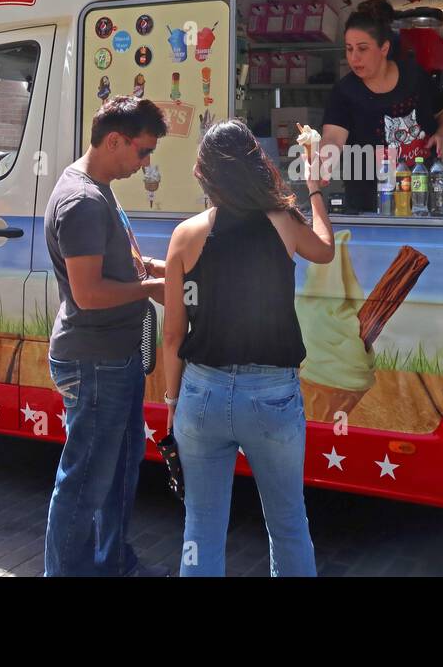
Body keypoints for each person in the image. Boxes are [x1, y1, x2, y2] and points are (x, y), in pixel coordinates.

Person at [161, 119, 334, 577]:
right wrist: (315, 188)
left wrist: (171, 401)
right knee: (288, 524)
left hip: (201, 394)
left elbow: (173, 335)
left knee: (201, 526)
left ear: (204, 173)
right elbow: (325, 250)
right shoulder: (284, 223)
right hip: (272, 394)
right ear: (258, 166)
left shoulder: (186, 235)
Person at [44, 95, 170, 577]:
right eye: (142, 151)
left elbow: (120, 265)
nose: (145, 163)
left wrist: (160, 270)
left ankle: (113, 562)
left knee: (117, 471)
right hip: (94, 361)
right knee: (85, 481)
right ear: (114, 140)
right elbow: (89, 294)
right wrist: (153, 287)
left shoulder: (98, 187)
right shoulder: (82, 201)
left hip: (115, 356)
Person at [319, 0, 443, 212]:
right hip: (367, 205)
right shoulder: (344, 92)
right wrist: (321, 164)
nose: (354, 58)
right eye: (349, 49)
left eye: (362, 49)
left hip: (422, 202)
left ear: (384, 48)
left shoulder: (414, 76)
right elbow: (333, 138)